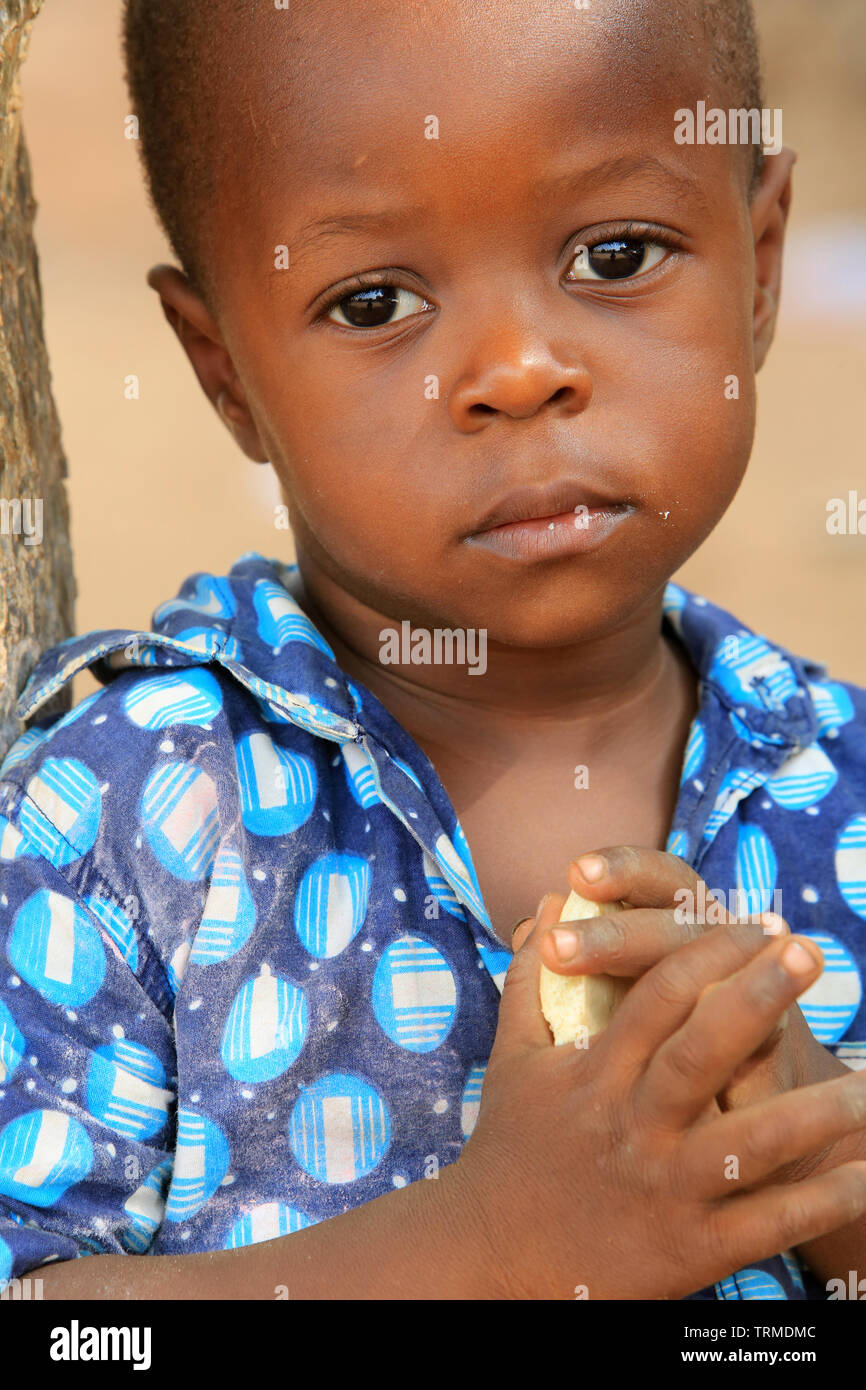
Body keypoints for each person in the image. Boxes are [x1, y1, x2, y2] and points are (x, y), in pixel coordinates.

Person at [1, 0, 864, 1300]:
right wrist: (487, 1250)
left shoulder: (845, 791)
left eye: (615, 253)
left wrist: (820, 1149)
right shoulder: (124, 812)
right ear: (224, 371)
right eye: (374, 302)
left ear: (758, 267)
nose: (517, 369)